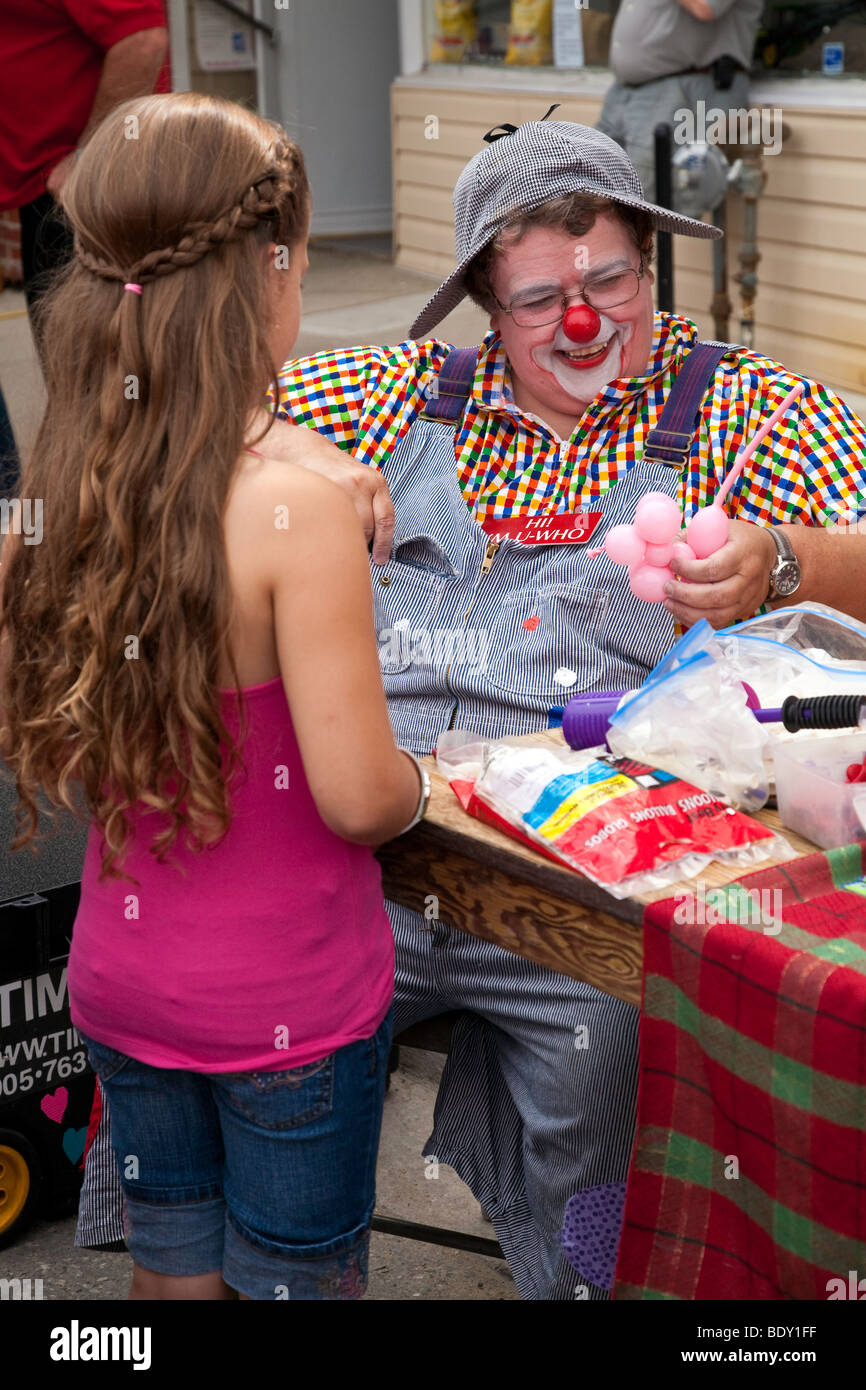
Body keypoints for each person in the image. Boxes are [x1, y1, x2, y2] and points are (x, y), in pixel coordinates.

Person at [75, 115, 866, 1301]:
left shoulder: (743, 411)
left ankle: (589, 1280)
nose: (583, 320)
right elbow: (185, 407)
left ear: (646, 267)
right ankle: (211, 1254)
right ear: (480, 306)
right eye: (540, 298)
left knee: (609, 1050)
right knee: (251, 1046)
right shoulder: (391, 392)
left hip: (567, 888)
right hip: (356, 868)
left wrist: (786, 562)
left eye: (608, 280)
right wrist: (299, 450)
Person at [0, 91, 430, 1301]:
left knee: (171, 1271)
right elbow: (355, 798)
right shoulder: (294, 523)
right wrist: (423, 780)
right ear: (267, 276)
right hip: (286, 1011)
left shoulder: (50, 498)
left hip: (123, 991)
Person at [0, 0, 168, 355]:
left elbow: (143, 40)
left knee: (97, 377)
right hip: (47, 188)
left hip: (79, 191)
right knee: (76, 376)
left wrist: (90, 155)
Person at [597, 0, 764, 206]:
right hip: (624, 90)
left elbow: (706, 6)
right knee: (597, 187)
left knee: (642, 204)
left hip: (676, 89)